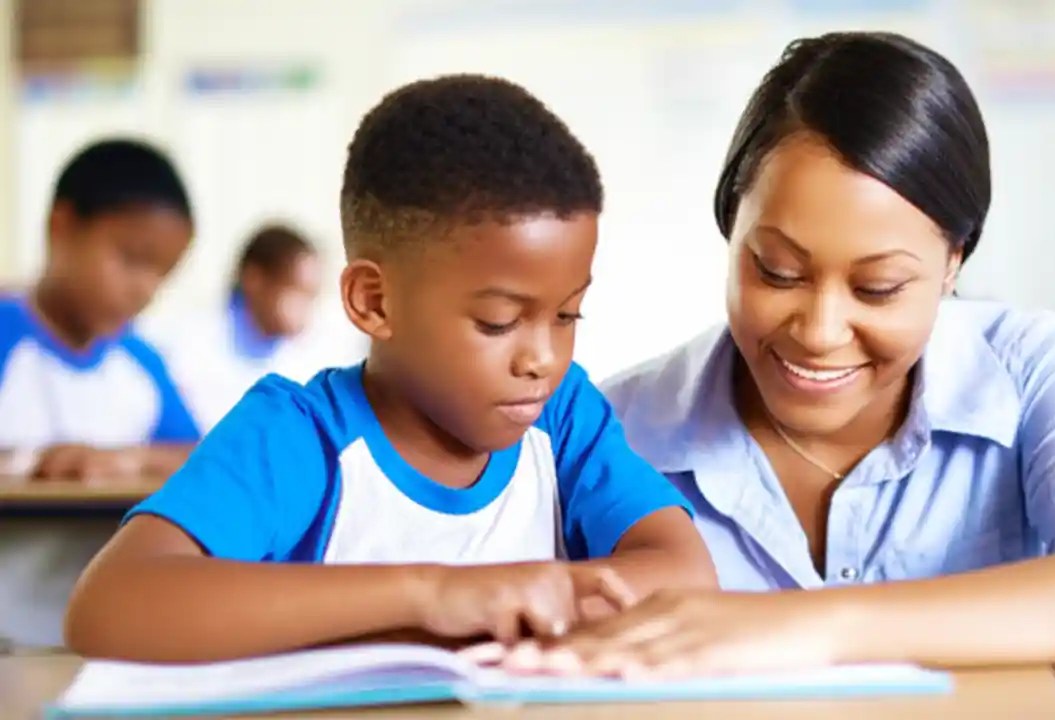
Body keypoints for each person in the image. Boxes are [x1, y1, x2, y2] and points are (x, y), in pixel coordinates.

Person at [514, 32, 1055, 697]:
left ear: (953, 262)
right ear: (731, 230)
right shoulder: (609, 429)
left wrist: (805, 628)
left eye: (879, 287)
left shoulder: (1029, 370)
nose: (820, 333)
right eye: (777, 271)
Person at [64, 75, 716, 662]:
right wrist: (434, 595)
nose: (543, 358)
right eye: (497, 322)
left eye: (568, 315)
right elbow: (112, 606)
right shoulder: (300, 437)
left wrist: (540, 593)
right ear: (374, 302)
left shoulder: (564, 416)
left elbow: (686, 574)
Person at [0, 138, 199, 646]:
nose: (145, 289)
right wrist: (31, 462)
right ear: (62, 227)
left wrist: (126, 460)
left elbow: (205, 458)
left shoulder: (141, 365)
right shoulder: (7, 338)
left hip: (107, 640)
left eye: (162, 275)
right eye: (131, 259)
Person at [145, 223, 329, 432]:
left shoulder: (309, 362)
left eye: (311, 296)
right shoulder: (184, 342)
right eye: (295, 292)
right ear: (255, 279)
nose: (305, 310)